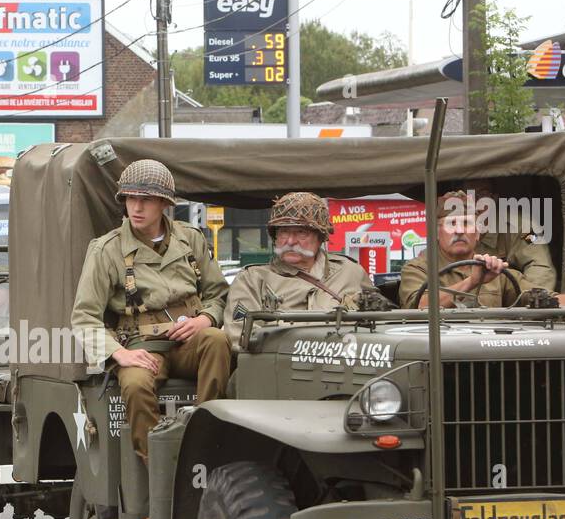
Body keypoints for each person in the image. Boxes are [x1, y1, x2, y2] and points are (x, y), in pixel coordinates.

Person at [71, 158, 231, 464]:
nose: (136, 208)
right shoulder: (108, 250)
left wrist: (205, 319)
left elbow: (218, 294)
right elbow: (84, 316)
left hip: (188, 340)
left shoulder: (190, 240)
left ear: (164, 204)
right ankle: (155, 467)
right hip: (140, 345)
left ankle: (206, 439)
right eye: (131, 199)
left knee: (217, 340)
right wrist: (119, 354)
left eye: (146, 200)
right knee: (134, 383)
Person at [223, 191, 376, 350]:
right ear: (275, 237)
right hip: (277, 369)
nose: (290, 241)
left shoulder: (351, 272)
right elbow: (239, 336)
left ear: (320, 237)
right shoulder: (252, 279)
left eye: (301, 232)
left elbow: (382, 325)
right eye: (284, 232)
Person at [398, 192, 520, 308]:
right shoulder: (418, 269)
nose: (460, 230)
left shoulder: (493, 269)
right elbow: (420, 306)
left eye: (466, 223)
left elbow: (532, 297)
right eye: (451, 223)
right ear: (436, 233)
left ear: (477, 233)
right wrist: (471, 282)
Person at [463, 178, 557, 292]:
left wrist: (531, 300)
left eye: (482, 195)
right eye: (468, 195)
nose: (475, 201)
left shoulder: (521, 226)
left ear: (494, 198)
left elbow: (540, 266)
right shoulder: (448, 229)